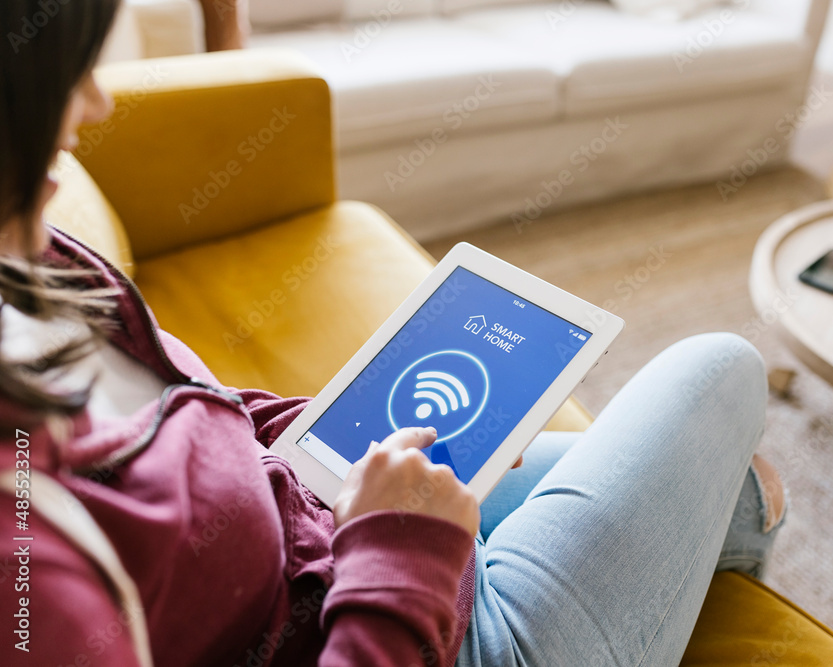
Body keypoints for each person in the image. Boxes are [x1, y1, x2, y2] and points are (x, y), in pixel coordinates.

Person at [0, 1, 785, 665]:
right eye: (61, 76)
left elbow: (192, 402)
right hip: (415, 630)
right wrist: (401, 551)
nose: (96, 103)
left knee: (692, 459)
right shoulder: (31, 574)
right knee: (720, 377)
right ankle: (736, 520)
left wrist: (335, 430)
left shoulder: (30, 252)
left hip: (344, 528)